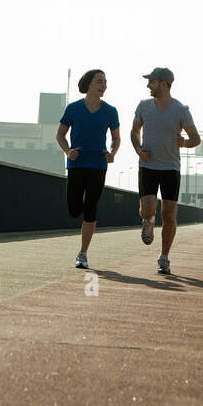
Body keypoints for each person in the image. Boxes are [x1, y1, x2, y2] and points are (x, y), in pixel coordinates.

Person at [131, 67, 200, 275]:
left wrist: (185, 143)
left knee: (169, 215)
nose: (148, 85)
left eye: (151, 81)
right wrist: (138, 149)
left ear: (164, 84)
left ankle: (164, 258)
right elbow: (134, 131)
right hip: (148, 165)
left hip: (171, 168)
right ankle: (148, 220)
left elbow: (196, 138)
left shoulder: (180, 109)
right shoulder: (143, 106)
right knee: (148, 208)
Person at [56, 70, 120, 270]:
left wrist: (112, 153)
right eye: (99, 81)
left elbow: (117, 138)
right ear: (89, 84)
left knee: (91, 208)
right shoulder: (73, 108)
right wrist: (68, 151)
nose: (104, 85)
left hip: (98, 165)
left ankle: (83, 253)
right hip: (77, 163)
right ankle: (82, 202)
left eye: (105, 82)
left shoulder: (110, 111)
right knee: (74, 209)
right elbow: (60, 135)